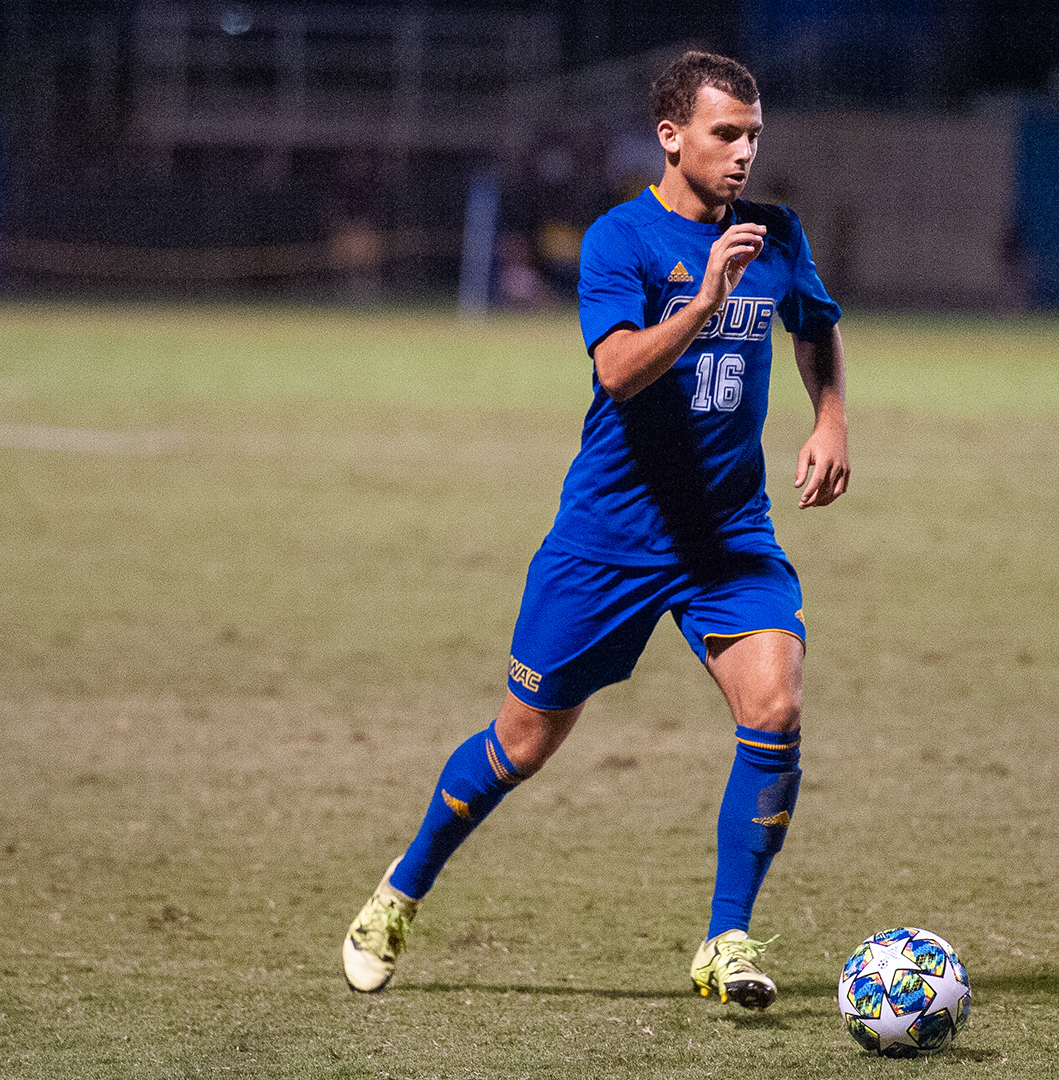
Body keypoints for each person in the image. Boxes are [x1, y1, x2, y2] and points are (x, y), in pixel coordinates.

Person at [341, 51, 849, 1011]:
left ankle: (726, 939)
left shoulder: (777, 232)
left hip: (727, 538)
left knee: (775, 708)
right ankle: (401, 889)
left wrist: (830, 419)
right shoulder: (622, 239)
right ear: (672, 137)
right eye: (725, 134)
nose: (744, 153)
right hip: (609, 539)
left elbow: (814, 323)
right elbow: (617, 371)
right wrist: (704, 300)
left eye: (753, 136)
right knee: (522, 743)